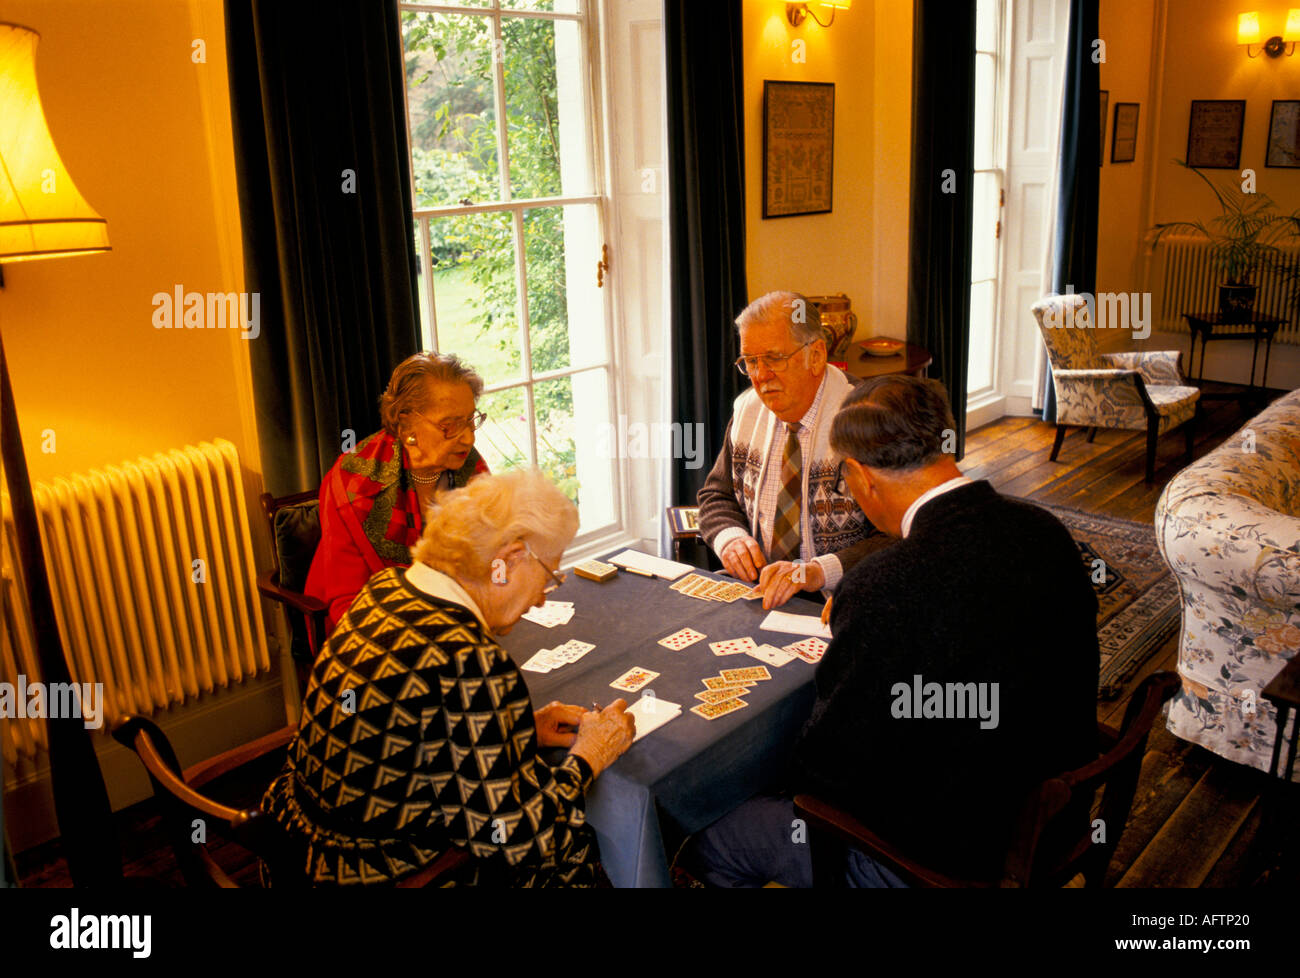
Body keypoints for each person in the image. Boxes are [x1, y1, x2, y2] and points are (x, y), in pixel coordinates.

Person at [686, 375, 1099, 886]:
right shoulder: (1046, 529)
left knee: (707, 833)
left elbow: (827, 774)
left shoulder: (885, 585)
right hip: (1048, 814)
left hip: (938, 859)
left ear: (858, 476)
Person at [262, 469, 636, 887]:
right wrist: (590, 755)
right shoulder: (472, 659)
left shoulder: (385, 587)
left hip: (294, 838)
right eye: (549, 576)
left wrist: (520, 730)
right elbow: (518, 841)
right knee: (573, 843)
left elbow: (418, 729)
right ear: (507, 561)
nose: (542, 596)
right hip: (366, 869)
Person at [696, 291, 882, 610]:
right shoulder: (746, 411)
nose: (760, 375)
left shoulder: (870, 421)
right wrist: (731, 539)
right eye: (750, 362)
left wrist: (818, 572)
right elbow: (716, 496)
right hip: (759, 595)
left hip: (841, 601)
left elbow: (899, 535)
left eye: (774, 358)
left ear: (817, 355)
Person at [305, 352, 491, 636]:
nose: (468, 437)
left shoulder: (471, 466)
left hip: (456, 619)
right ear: (406, 425)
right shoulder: (352, 482)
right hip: (372, 629)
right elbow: (346, 599)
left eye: (470, 420)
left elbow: (489, 558)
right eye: (450, 425)